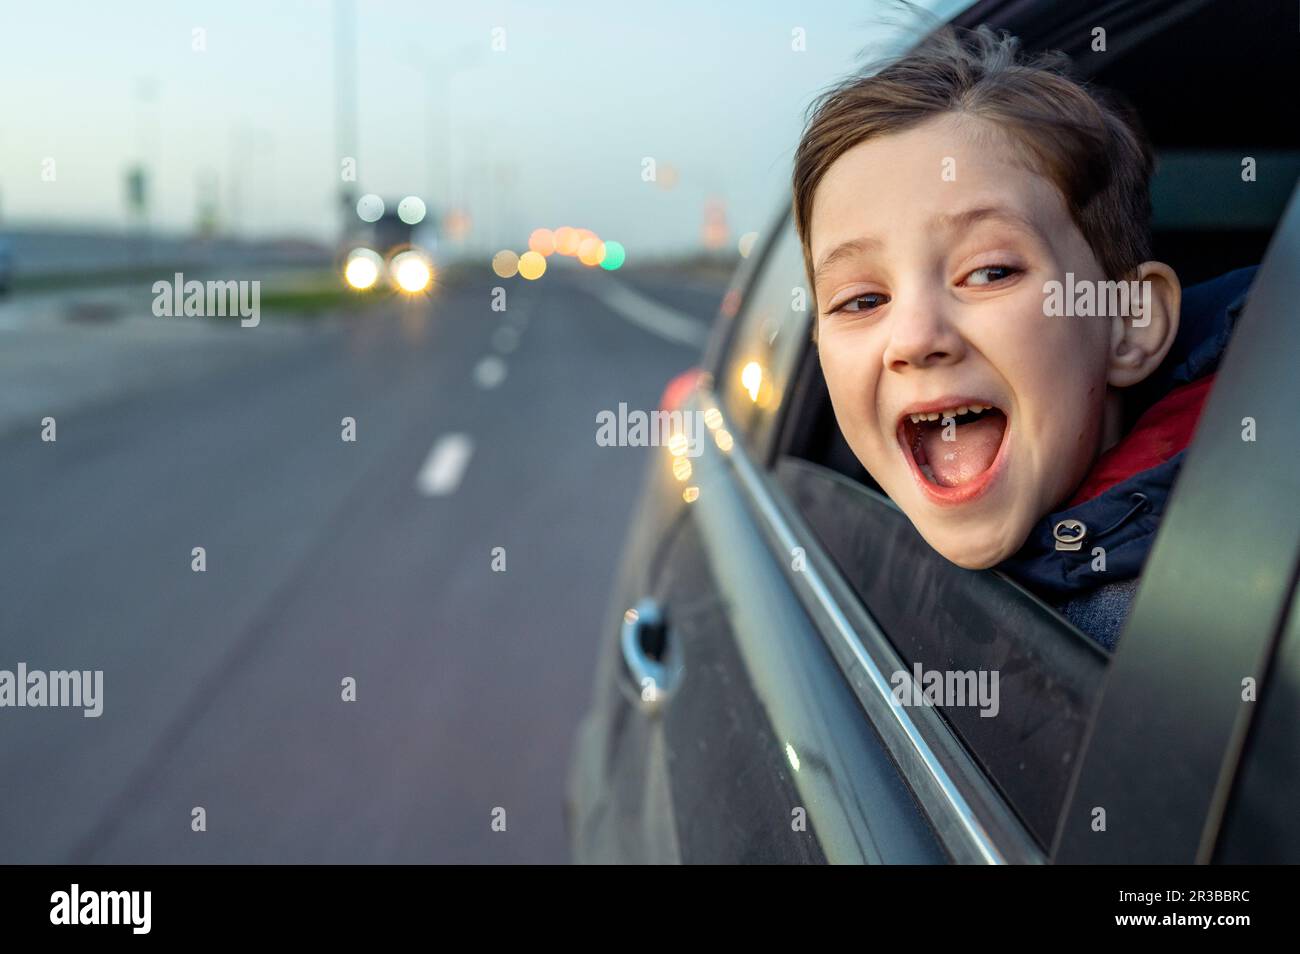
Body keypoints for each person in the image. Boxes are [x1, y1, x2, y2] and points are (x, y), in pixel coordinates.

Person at [791, 25, 1253, 649]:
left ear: (1129, 323)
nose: (915, 337)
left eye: (990, 272)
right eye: (862, 300)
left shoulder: (1229, 608)